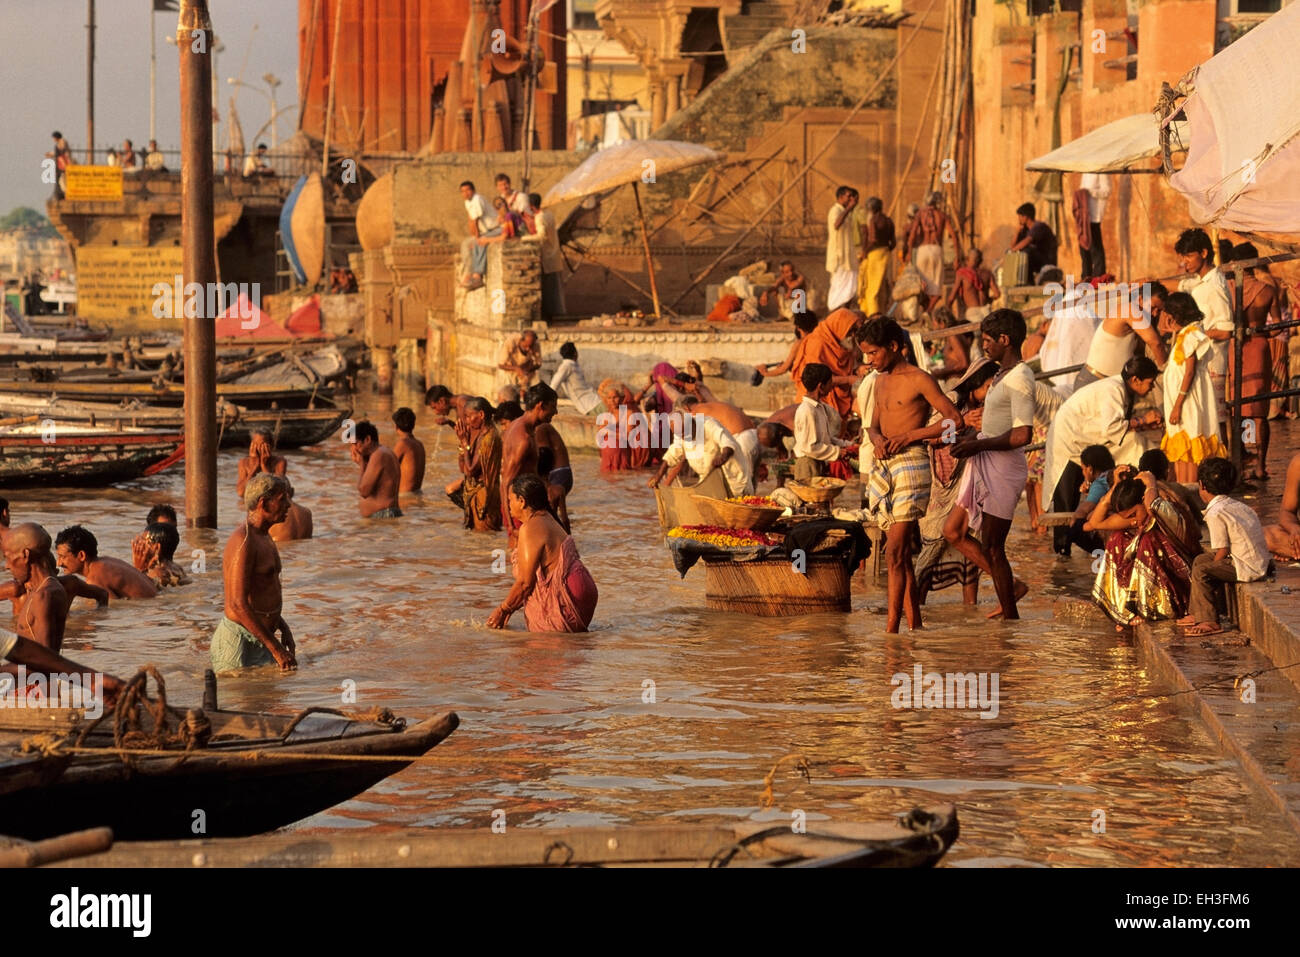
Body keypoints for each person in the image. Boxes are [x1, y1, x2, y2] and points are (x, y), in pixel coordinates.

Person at [862, 317, 963, 633]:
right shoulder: (879, 380)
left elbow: (954, 421)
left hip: (913, 463)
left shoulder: (921, 379)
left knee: (893, 551)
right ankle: (914, 626)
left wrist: (909, 436)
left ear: (893, 347)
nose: (869, 360)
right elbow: (873, 425)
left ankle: (891, 630)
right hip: (886, 466)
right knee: (901, 555)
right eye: (866, 354)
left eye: (874, 353)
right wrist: (877, 441)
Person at [945, 309, 1036, 619]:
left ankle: (1011, 618)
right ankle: (1011, 600)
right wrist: (969, 438)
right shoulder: (1000, 374)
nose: (984, 347)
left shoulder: (1021, 377)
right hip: (985, 458)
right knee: (954, 531)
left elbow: (1023, 433)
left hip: (1002, 467)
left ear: (1004, 340)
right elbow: (997, 423)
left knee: (994, 547)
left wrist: (977, 444)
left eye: (987, 341)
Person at [1041, 356, 1160, 557]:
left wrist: (1144, 424)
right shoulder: (1113, 389)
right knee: (1065, 496)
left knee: (1077, 498)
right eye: (1150, 383)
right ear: (1136, 380)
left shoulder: (1122, 389)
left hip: (1086, 436)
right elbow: (1112, 428)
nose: (1151, 388)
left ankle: (1075, 547)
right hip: (1069, 437)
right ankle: (1062, 553)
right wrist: (1143, 419)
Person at [916, 359, 998, 606]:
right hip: (944, 483)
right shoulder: (952, 400)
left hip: (969, 480)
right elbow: (930, 437)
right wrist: (966, 424)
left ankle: (969, 611)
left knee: (971, 545)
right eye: (988, 387)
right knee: (933, 547)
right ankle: (914, 609)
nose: (990, 394)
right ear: (976, 383)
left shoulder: (986, 408)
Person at [1087, 470, 1201, 627]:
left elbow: (1152, 506)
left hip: (1183, 584)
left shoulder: (1166, 509)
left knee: (1149, 541)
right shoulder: (1139, 517)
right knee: (1117, 538)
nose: (1133, 522)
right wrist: (1115, 488)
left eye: (1134, 514)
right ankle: (1125, 612)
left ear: (1143, 499)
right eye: (1129, 518)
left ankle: (1152, 609)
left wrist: (1151, 485)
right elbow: (1095, 523)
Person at [487, 474, 598, 633]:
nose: (508, 504)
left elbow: (525, 584)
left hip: (569, 594)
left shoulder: (531, 527)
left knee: (543, 652)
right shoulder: (549, 519)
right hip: (583, 591)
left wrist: (503, 609)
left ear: (522, 501)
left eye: (510, 499)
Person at [1179, 458, 1273, 637]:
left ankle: (1209, 621)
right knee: (1200, 560)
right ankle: (1198, 612)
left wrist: (1213, 570)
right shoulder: (1237, 505)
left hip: (1247, 566)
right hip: (1257, 560)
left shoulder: (1215, 512)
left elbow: (1222, 551)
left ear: (1201, 485)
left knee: (1202, 570)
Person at [212, 474, 296, 672]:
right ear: (264, 503)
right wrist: (276, 649)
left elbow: (262, 592)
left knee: (266, 700)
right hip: (239, 642)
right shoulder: (244, 541)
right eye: (282, 499)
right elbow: (237, 604)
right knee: (238, 701)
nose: (289, 505)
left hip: (262, 638)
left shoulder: (264, 537)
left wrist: (283, 627)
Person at [1160, 291, 1227, 482]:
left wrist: (1178, 405)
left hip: (1187, 401)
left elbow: (1189, 371)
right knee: (1181, 449)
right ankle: (1183, 485)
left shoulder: (1191, 334)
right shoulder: (1184, 334)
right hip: (1182, 399)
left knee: (1188, 446)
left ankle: (1189, 488)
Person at [1229, 243, 1282, 479]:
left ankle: (1240, 463)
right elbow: (1277, 326)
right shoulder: (1267, 290)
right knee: (1259, 410)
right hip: (1259, 347)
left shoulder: (1227, 289)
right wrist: (1258, 329)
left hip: (1235, 347)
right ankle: (1260, 465)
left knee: (1239, 408)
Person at [1175, 227, 1233, 425]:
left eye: (1189, 256)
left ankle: (1227, 456)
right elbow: (1180, 287)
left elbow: (1225, 331)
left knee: (1217, 421)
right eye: (1184, 257)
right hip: (1202, 363)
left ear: (1204, 253)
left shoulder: (1214, 286)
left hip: (1213, 362)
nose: (1185, 262)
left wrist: (1194, 335)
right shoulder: (1201, 282)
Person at [1072, 282, 1169, 392]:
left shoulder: (1139, 320)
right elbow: (1155, 343)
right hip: (1094, 382)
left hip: (1110, 384)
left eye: (1159, 310)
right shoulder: (1129, 309)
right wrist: (1166, 372)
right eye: (1153, 307)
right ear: (1140, 299)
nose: (1155, 314)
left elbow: (1141, 353)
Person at [649, 400, 753, 496]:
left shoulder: (709, 424)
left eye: (685, 432)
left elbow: (728, 444)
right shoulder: (680, 434)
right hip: (710, 486)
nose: (684, 437)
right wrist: (658, 475)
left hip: (734, 482)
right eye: (680, 435)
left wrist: (722, 457)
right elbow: (672, 454)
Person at [501, 383, 558, 546]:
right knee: (523, 558)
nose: (556, 412)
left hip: (524, 507)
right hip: (521, 509)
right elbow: (506, 481)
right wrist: (512, 526)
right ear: (541, 405)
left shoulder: (516, 425)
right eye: (553, 407)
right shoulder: (523, 438)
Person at [792, 307, 866, 420]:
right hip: (817, 401)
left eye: (854, 331)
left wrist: (857, 370)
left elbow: (843, 368)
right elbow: (816, 378)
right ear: (838, 327)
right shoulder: (817, 343)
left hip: (835, 400)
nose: (852, 335)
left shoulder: (840, 343)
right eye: (850, 331)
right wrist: (849, 379)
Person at [54, 526, 157, 599]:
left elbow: (109, 612)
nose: (59, 563)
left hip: (151, 608)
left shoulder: (95, 578)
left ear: (81, 555)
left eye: (62, 557)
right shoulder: (105, 561)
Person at [450, 397, 503, 532]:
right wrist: (463, 446)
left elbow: (471, 471)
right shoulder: (480, 435)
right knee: (475, 544)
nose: (466, 421)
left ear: (481, 415)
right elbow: (463, 468)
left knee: (483, 541)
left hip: (485, 498)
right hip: (475, 496)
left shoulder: (489, 438)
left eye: (468, 417)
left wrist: (465, 443)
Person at [902, 191, 961, 311]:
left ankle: (925, 312)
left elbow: (912, 235)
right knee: (936, 290)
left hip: (922, 251)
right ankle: (927, 312)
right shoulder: (942, 215)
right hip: (936, 251)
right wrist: (957, 256)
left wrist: (908, 252)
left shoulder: (919, 214)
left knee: (922, 286)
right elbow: (953, 236)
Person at [792, 364, 849, 481]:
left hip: (818, 461)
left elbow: (826, 438)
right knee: (811, 498)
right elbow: (810, 447)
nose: (831, 387)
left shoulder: (819, 407)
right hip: (807, 464)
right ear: (820, 386)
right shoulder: (807, 410)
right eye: (830, 383)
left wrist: (847, 445)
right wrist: (837, 452)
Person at [524, 193, 565, 319]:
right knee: (553, 288)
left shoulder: (540, 217)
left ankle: (549, 316)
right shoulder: (549, 214)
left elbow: (541, 235)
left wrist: (524, 238)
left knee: (547, 289)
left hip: (547, 256)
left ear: (531, 206)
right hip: (554, 254)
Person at [349, 421, 401, 518]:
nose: (354, 450)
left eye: (355, 444)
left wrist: (361, 465)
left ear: (367, 439)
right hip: (385, 515)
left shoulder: (378, 455)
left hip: (382, 516)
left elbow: (364, 491)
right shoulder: (384, 452)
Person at [458, 180, 501, 290]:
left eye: (468, 190)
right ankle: (469, 273)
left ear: (473, 190)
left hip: (495, 229)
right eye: (463, 191)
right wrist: (474, 237)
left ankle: (478, 276)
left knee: (480, 242)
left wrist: (477, 238)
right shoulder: (467, 202)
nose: (466, 193)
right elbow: (470, 221)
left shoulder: (477, 199)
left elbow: (475, 221)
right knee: (465, 244)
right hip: (484, 232)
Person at [858, 198, 895, 314]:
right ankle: (882, 312)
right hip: (885, 253)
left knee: (872, 289)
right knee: (881, 288)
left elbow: (873, 239)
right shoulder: (889, 221)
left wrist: (865, 252)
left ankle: (872, 314)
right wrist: (886, 250)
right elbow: (893, 243)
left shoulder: (873, 220)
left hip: (874, 255)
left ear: (871, 209)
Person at [825, 186, 859, 311]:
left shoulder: (847, 213)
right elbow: (836, 224)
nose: (851, 199)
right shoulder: (835, 210)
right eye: (848, 196)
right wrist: (849, 208)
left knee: (850, 288)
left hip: (848, 259)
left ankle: (844, 316)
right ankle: (834, 315)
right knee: (838, 289)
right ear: (840, 197)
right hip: (839, 259)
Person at [535, 421, 572, 532]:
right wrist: (569, 538)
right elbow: (565, 519)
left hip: (541, 531)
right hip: (555, 532)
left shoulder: (534, 492)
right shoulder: (558, 490)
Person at [1008, 202, 1058, 282]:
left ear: (1026, 217)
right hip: (1037, 260)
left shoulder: (1039, 227)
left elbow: (1027, 241)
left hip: (1047, 262)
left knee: (1027, 252)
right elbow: (1013, 247)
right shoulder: (1025, 229)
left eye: (1020, 216)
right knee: (1018, 252)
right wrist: (1017, 232)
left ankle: (1029, 282)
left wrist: (1012, 251)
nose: (1019, 219)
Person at [130, 521, 190, 588]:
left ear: (157, 548)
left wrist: (138, 570)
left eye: (144, 542)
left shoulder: (156, 574)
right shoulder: (178, 568)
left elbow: (139, 592)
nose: (140, 545)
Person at [945, 249, 999, 323]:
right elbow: (997, 294)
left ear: (967, 259)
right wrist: (989, 300)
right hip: (986, 310)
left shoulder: (962, 274)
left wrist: (947, 311)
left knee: (975, 334)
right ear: (980, 260)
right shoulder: (987, 273)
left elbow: (951, 298)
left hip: (972, 312)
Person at [549, 342, 602, 415]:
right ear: (575, 353)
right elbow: (553, 385)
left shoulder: (573, 365)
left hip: (595, 400)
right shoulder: (566, 366)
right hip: (589, 405)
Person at [1077, 173, 1111, 279]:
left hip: (1095, 215)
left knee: (1095, 246)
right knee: (1083, 246)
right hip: (1084, 216)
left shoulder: (1101, 172)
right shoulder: (1085, 172)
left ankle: (1099, 275)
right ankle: (1086, 275)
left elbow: (1107, 191)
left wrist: (1090, 192)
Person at [236, 430, 287, 501]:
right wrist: (255, 467)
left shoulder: (279, 461)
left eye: (263, 445)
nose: (259, 449)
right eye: (256, 445)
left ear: (271, 446)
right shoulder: (244, 462)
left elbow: (276, 491)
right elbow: (241, 493)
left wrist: (263, 465)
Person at [391, 407, 426, 493]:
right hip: (417, 494)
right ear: (413, 425)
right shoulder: (419, 444)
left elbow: (388, 468)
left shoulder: (403, 443)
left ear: (396, 426)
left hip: (405, 498)